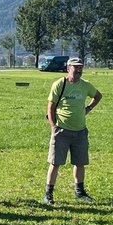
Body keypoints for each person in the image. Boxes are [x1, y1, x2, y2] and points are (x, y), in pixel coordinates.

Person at [43, 56, 101, 205]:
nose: (79, 70)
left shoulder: (85, 85)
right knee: (55, 163)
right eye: (76, 67)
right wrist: (53, 126)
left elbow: (97, 96)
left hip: (80, 131)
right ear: (68, 68)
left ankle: (79, 192)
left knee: (80, 162)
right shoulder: (59, 84)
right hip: (61, 130)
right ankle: (48, 194)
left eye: (81, 67)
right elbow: (50, 106)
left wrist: (88, 108)